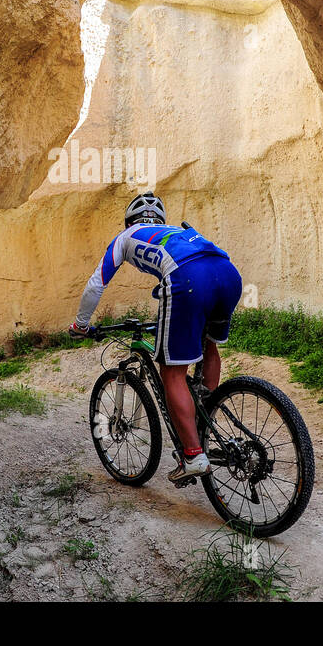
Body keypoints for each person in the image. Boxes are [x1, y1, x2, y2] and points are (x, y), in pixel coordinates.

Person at [70, 192, 243, 481]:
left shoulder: (125, 238)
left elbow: (95, 284)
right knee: (209, 345)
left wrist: (81, 325)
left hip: (188, 279)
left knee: (172, 374)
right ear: (160, 220)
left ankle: (192, 455)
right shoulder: (178, 231)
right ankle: (204, 418)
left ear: (129, 221)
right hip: (227, 273)